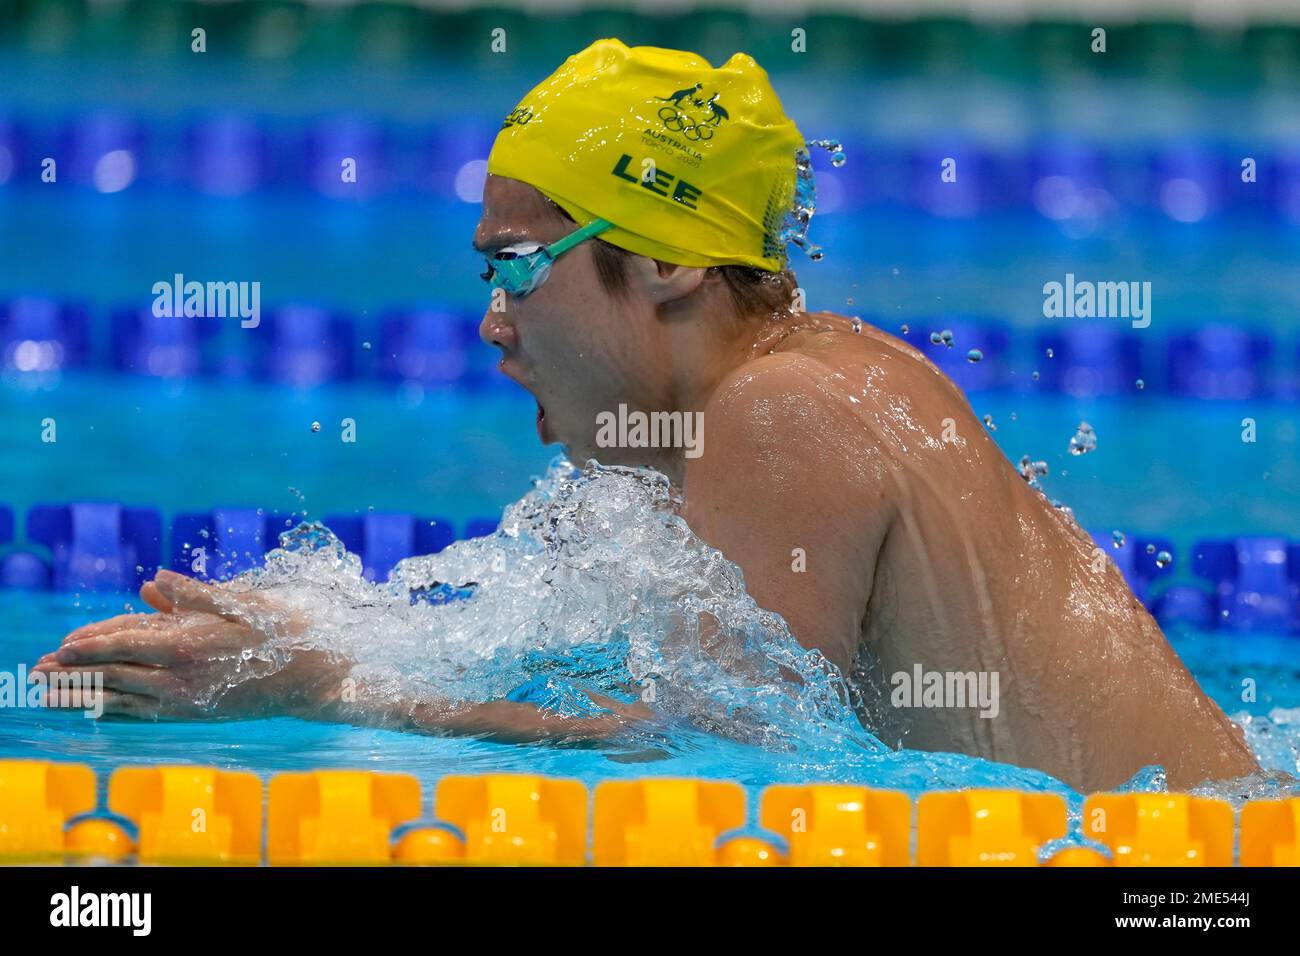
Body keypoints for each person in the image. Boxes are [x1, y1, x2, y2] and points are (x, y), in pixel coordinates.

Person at [36, 38, 1259, 793]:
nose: (492, 320)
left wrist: (330, 687)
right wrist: (358, 633)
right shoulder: (804, 378)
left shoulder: (783, 416)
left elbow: (710, 757)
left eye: (516, 266)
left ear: (667, 262)